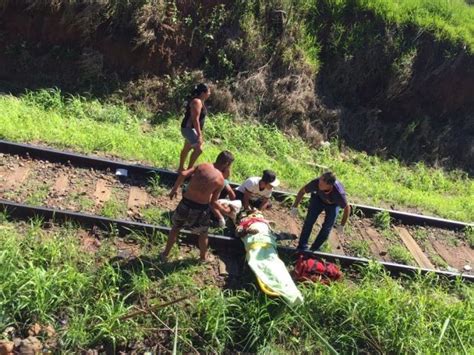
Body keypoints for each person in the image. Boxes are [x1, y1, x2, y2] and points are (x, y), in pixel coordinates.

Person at [161, 150, 234, 262]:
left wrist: (174, 189)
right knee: (203, 233)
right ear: (226, 164)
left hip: (185, 202)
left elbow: (183, 174)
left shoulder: (202, 165)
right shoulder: (220, 179)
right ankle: (203, 258)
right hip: (200, 209)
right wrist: (226, 211)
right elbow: (213, 202)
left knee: (175, 228)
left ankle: (165, 254)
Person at [290, 171, 351, 251]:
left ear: (329, 185)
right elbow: (302, 191)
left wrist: (342, 225)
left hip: (333, 205)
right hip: (318, 199)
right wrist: (295, 206)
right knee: (309, 221)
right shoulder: (316, 182)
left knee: (327, 227)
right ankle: (302, 246)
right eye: (320, 180)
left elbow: (347, 208)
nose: (319, 184)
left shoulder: (339, 193)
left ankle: (315, 249)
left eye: (322, 184)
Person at [178, 83, 211, 172]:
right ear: (203, 93)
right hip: (189, 129)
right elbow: (195, 119)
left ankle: (181, 168)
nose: (210, 93)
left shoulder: (200, 101)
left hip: (190, 129)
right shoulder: (197, 101)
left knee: (187, 148)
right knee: (199, 149)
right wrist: (199, 135)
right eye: (209, 91)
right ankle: (189, 170)